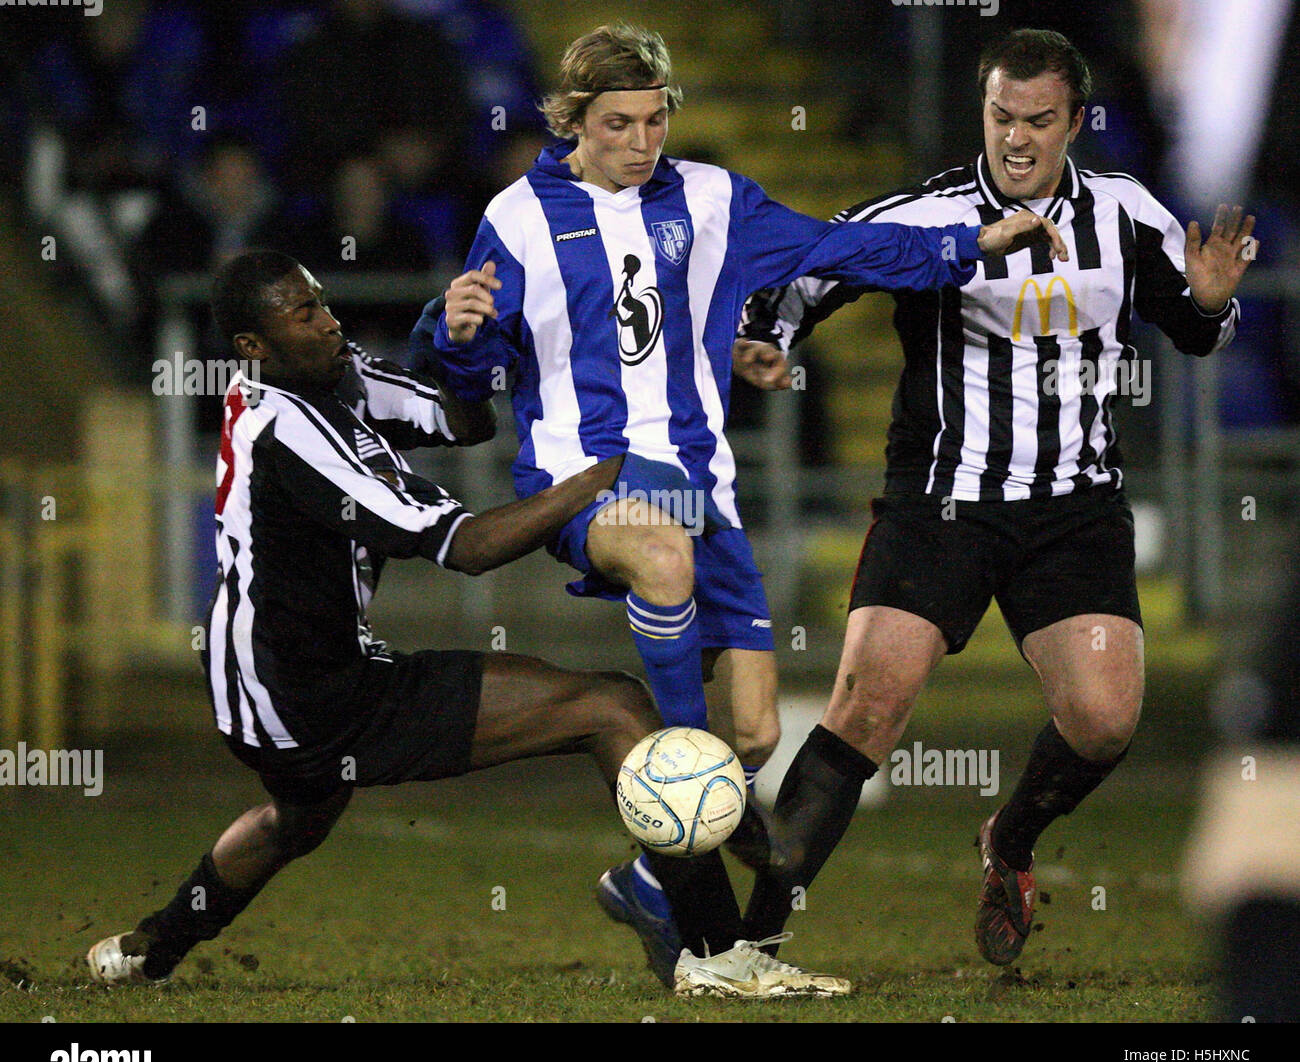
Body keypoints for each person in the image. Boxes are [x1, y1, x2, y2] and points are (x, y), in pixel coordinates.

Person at [408, 21, 1061, 972]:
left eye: (655, 121)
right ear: (572, 121)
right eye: (618, 124)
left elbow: (841, 248)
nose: (641, 142)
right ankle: (685, 800)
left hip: (699, 481)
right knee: (661, 563)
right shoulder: (516, 217)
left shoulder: (714, 200)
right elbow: (467, 369)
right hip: (580, 478)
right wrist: (455, 331)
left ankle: (647, 876)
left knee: (754, 729)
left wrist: (972, 242)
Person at [84, 250, 841, 998]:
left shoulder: (331, 378)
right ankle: (715, 951)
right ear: (252, 347)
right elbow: (469, 548)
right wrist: (602, 475)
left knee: (298, 815)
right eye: (305, 312)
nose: (329, 320)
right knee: (611, 707)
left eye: (321, 298)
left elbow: (461, 421)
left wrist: (466, 344)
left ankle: (151, 945)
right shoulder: (290, 432)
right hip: (303, 692)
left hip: (283, 676)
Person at [733, 27, 1257, 967]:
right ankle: (751, 942)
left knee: (1104, 721)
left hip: (1075, 508)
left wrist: (1212, 304)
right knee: (863, 708)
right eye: (1000, 116)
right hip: (942, 499)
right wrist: (770, 333)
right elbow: (815, 266)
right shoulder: (929, 213)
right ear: (984, 110)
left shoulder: (1126, 214)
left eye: (1039, 121)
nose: (1016, 138)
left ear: (1076, 124)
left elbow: (1192, 332)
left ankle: (1007, 843)